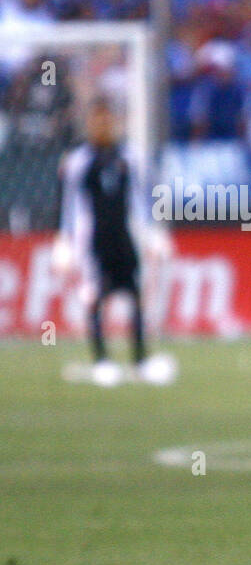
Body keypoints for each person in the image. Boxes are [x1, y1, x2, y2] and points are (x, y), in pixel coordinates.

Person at [58, 97, 151, 385]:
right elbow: (70, 205)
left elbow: (139, 199)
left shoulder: (129, 157)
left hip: (124, 236)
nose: (103, 125)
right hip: (94, 241)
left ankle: (140, 361)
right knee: (95, 299)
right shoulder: (79, 162)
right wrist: (64, 240)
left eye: (107, 119)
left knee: (136, 296)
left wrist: (150, 233)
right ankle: (101, 360)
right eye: (97, 120)